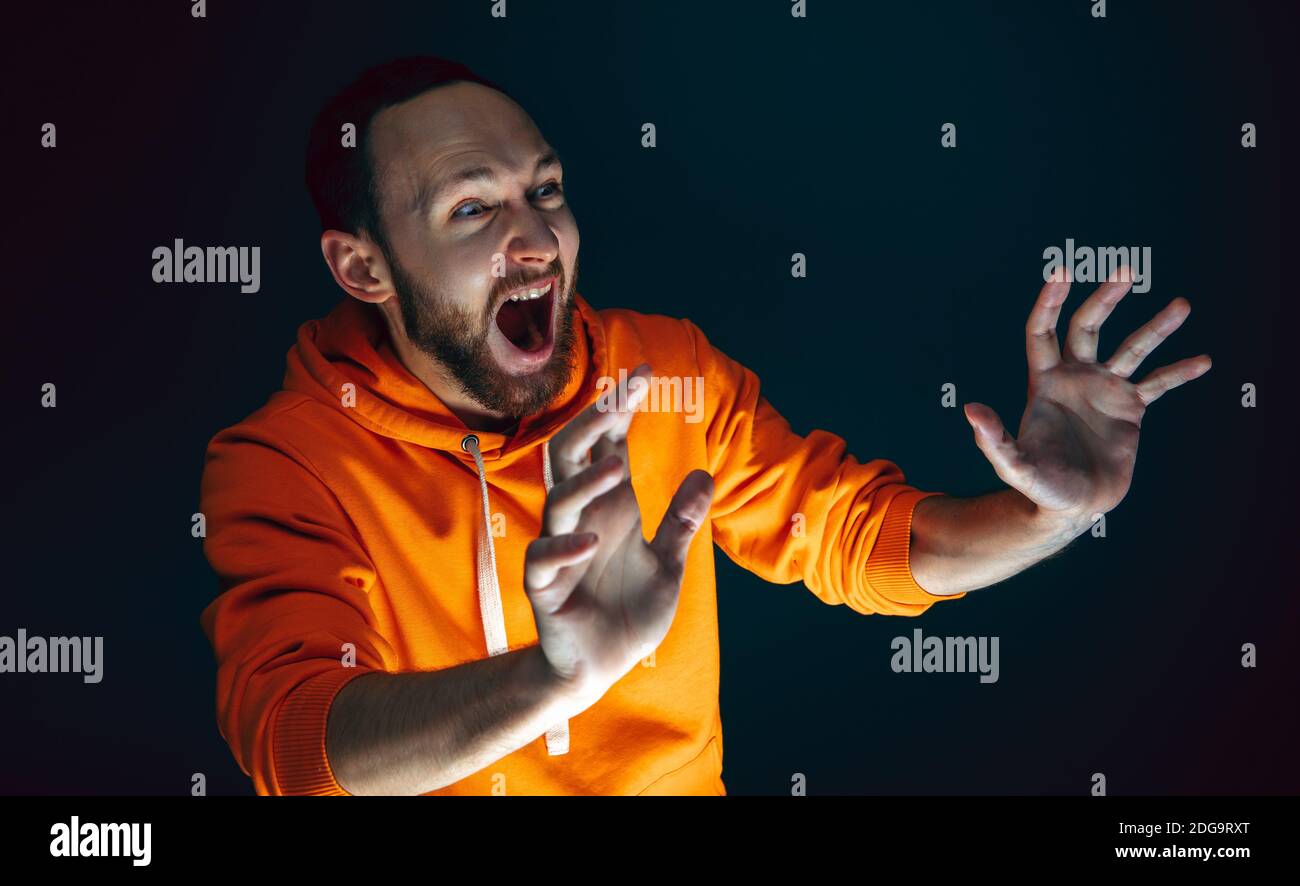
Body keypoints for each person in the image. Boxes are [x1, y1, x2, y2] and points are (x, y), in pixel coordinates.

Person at [198, 56, 1211, 796]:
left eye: (544, 192)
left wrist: (1047, 515)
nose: (535, 236)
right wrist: (554, 679)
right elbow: (296, 740)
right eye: (472, 209)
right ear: (363, 268)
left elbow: (853, 536)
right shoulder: (285, 459)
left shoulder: (665, 374)